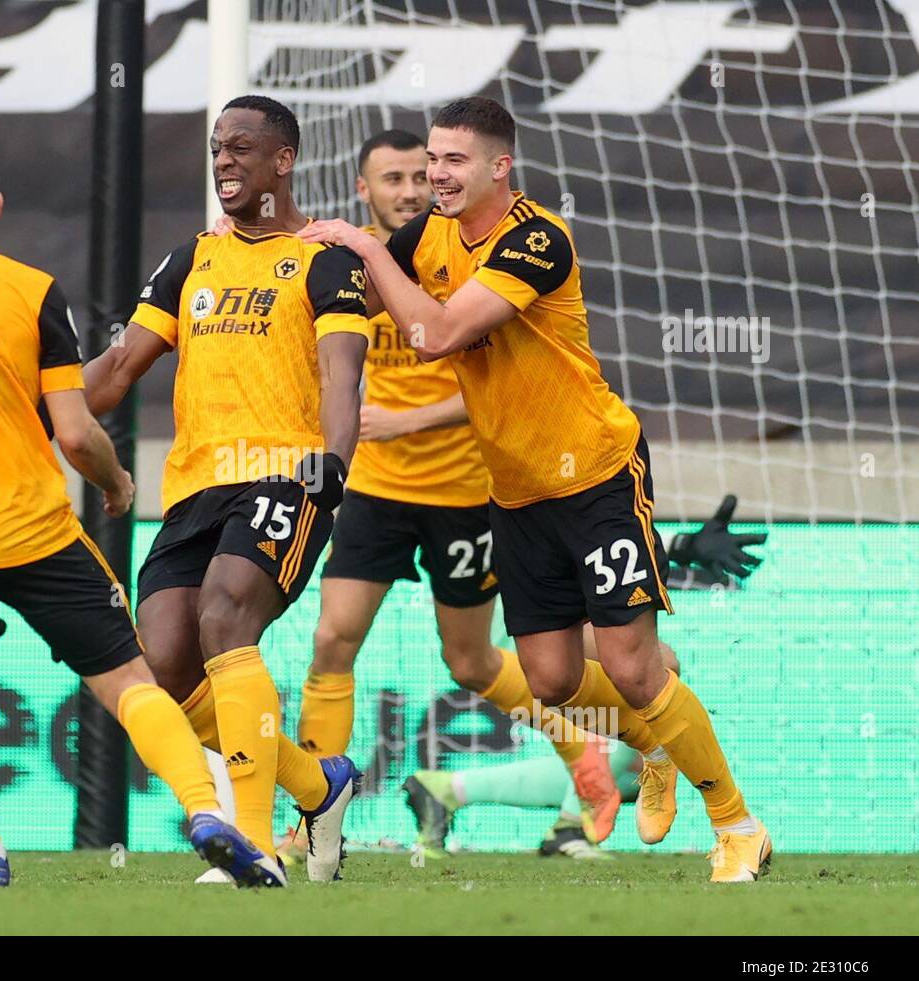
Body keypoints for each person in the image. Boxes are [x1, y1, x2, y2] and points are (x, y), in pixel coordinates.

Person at [301, 98, 771, 882]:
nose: (435, 178)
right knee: (551, 678)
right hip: (514, 490)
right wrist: (295, 257)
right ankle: (653, 739)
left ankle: (736, 824)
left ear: (499, 167)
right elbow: (364, 294)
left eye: (451, 162)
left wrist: (362, 244)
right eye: (429, 162)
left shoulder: (538, 237)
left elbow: (438, 333)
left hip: (594, 473)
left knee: (629, 665)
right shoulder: (427, 237)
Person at [0, 134, 274, 888]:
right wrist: (117, 483)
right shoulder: (33, 291)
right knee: (132, 682)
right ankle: (206, 811)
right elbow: (74, 431)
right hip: (32, 532)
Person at [283, 128, 622, 862]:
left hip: (467, 485)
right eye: (394, 178)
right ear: (361, 192)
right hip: (376, 486)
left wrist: (404, 419)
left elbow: (494, 386)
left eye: (421, 173)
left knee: (469, 660)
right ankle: (312, 814)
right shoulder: (359, 272)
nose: (410, 188)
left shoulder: (468, 254)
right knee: (331, 639)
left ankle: (581, 749)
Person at [82, 97, 370, 881]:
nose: (224, 161)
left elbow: (341, 376)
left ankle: (254, 840)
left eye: (242, 146)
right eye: (217, 148)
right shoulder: (190, 261)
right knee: (165, 669)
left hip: (289, 472)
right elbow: (113, 373)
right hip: (195, 489)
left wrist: (331, 470)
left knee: (224, 615)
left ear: (284, 160)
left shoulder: (326, 261)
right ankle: (319, 783)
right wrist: (29, 418)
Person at [404, 495, 768, 858]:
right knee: (655, 674)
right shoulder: (501, 469)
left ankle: (447, 790)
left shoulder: (553, 471)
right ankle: (572, 826)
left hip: (519, 619)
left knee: (631, 771)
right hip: (520, 625)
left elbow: (586, 529)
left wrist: (682, 545)